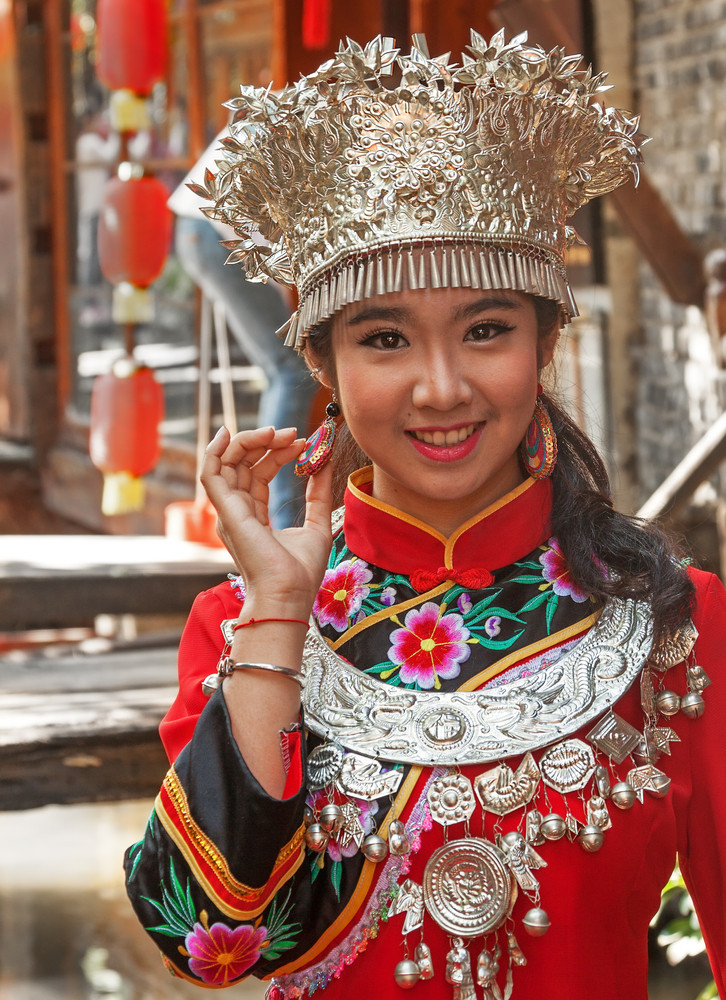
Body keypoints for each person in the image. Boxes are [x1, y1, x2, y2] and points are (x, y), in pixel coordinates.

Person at [124, 32, 726, 1000]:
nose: (440, 387)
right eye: (385, 338)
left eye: (486, 330)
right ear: (323, 366)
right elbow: (208, 944)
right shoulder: (242, 632)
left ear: (545, 343)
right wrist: (279, 604)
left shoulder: (675, 623)